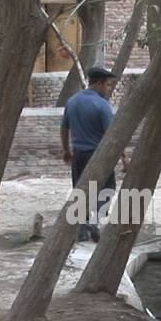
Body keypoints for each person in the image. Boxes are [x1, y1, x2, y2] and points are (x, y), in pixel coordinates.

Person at [60, 66, 123, 241]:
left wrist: (66, 150)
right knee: (108, 189)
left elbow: (64, 128)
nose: (108, 89)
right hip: (97, 156)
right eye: (108, 85)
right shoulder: (102, 105)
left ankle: (81, 229)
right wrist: (123, 158)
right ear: (100, 83)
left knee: (81, 191)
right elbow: (112, 135)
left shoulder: (72, 101)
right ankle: (93, 221)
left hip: (78, 155)